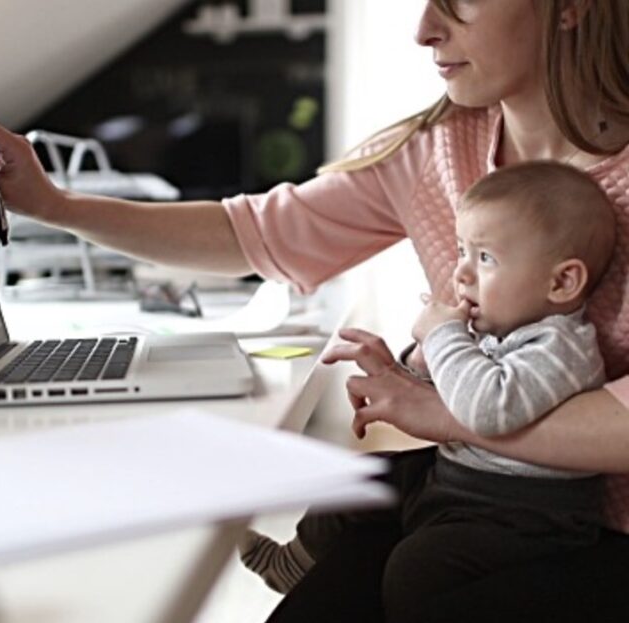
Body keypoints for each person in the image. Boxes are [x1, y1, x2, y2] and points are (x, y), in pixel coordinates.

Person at [0, 0, 629, 620]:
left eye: (461, 3)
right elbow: (256, 233)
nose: (424, 29)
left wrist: (442, 412)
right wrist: (54, 206)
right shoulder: (438, 148)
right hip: (464, 493)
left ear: (571, 8)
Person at [238, 160, 615, 605]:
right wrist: (412, 367)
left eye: (486, 258)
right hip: (457, 477)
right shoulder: (503, 327)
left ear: (562, 281)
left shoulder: (561, 348)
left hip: (528, 512)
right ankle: (291, 565)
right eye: (461, 251)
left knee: (417, 566)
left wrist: (443, 335)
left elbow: (485, 409)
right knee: (355, 481)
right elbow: (448, 393)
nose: (462, 273)